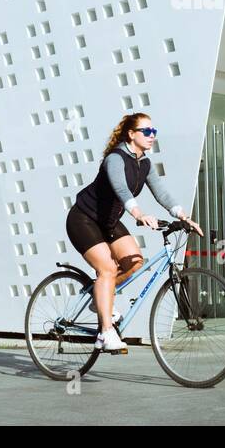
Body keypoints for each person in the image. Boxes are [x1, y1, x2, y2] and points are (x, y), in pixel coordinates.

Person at [65, 113, 202, 353]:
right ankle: (105, 333)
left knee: (135, 262)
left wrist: (183, 216)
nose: (152, 136)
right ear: (131, 134)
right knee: (106, 269)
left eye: (154, 131)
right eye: (146, 131)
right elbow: (121, 189)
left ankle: (100, 299)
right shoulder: (115, 158)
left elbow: (161, 193)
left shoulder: (144, 164)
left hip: (108, 221)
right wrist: (138, 214)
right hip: (84, 219)